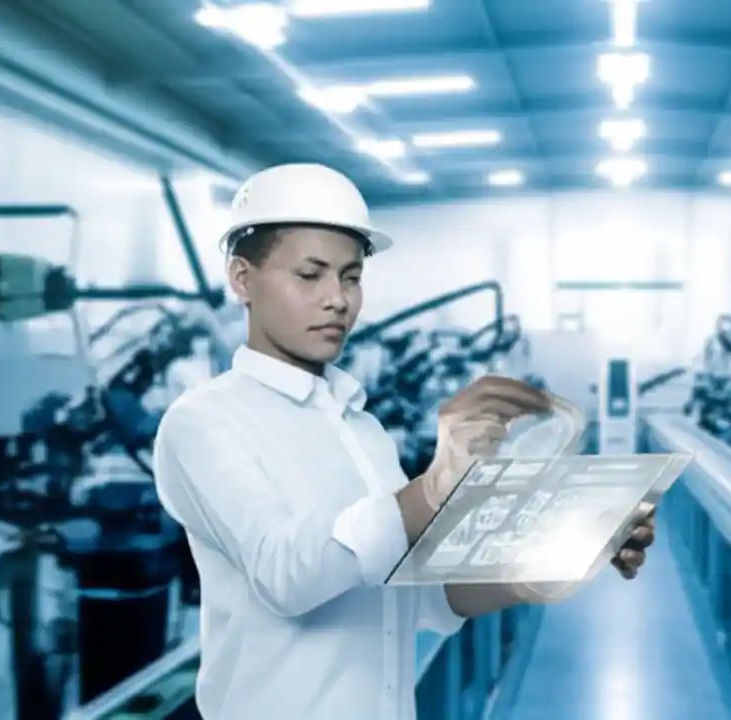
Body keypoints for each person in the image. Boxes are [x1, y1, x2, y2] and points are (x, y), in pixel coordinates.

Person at [151, 163, 656, 720]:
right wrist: (434, 489)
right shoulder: (204, 422)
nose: (337, 300)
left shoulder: (361, 429)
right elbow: (285, 577)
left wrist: (566, 547)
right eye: (309, 275)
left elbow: (419, 600)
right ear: (242, 279)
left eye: (350, 277)